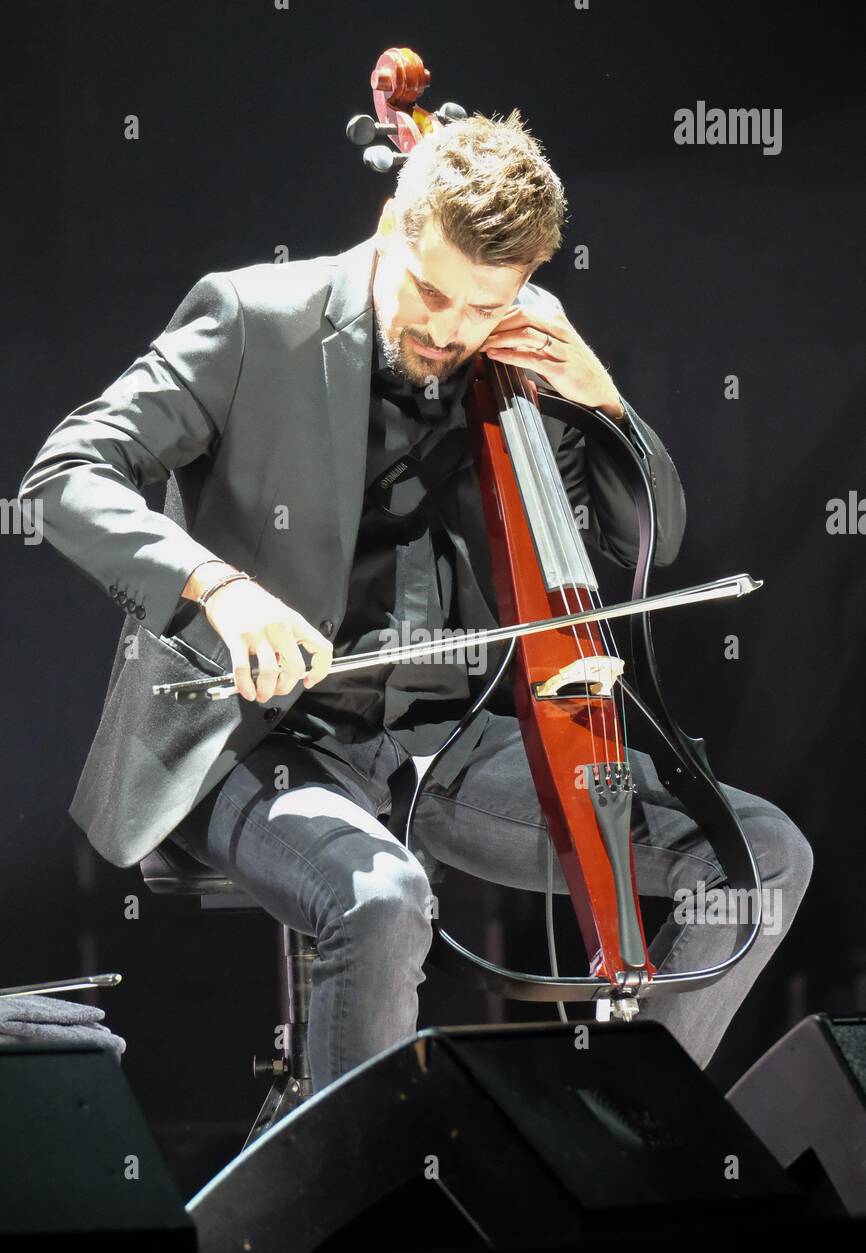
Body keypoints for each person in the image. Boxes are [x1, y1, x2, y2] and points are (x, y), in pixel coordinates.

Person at [19, 111, 813, 1094]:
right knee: (380, 898)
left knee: (760, 856)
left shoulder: (509, 362)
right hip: (261, 739)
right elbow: (64, 474)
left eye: (482, 309)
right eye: (429, 292)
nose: (447, 332)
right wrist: (217, 588)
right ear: (394, 221)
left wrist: (598, 397)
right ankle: (355, 1214)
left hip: (454, 751)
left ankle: (623, 1125)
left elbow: (636, 536)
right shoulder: (250, 316)